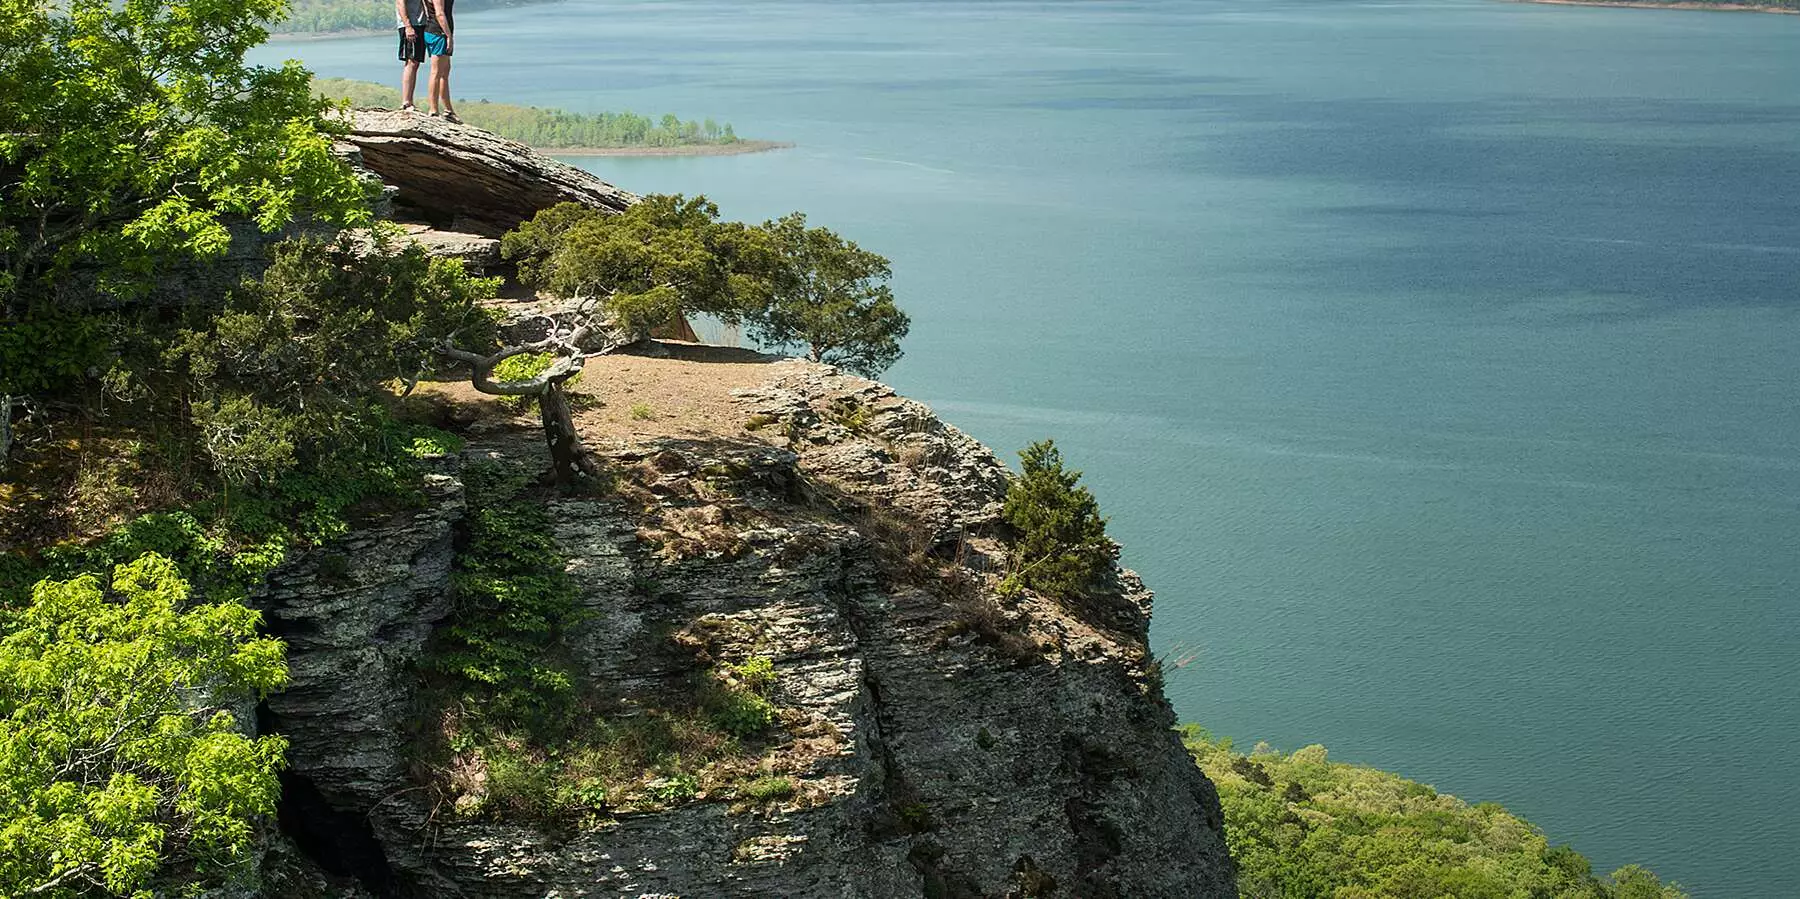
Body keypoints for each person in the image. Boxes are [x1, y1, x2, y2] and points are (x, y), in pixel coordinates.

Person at [395, 0, 460, 123]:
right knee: (415, 64)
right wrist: (408, 26)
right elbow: (400, 3)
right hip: (424, 28)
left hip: (425, 25)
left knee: (439, 70)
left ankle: (447, 109)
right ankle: (413, 104)